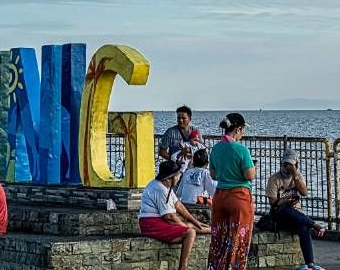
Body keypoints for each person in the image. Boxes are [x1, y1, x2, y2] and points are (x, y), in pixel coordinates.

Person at [140, 159, 210, 270]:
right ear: (169, 178)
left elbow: (178, 205)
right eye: (177, 176)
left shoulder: (166, 186)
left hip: (158, 221)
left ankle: (212, 229)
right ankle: (183, 267)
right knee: (190, 232)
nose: (178, 178)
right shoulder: (160, 189)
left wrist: (194, 220)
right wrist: (185, 226)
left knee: (191, 225)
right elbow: (169, 217)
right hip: (151, 224)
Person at [207, 112, 256, 270]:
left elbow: (213, 175)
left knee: (218, 238)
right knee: (238, 239)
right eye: (243, 130)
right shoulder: (241, 150)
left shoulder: (215, 149)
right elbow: (250, 175)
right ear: (238, 129)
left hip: (220, 196)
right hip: (239, 196)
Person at [266, 149, 327, 270]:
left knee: (303, 227)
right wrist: (285, 201)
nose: (286, 168)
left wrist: (295, 176)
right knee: (286, 209)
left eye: (289, 165)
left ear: (296, 165)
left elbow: (304, 193)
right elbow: (273, 203)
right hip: (280, 215)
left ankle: (310, 264)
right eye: (284, 165)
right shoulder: (274, 179)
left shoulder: (298, 176)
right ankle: (314, 224)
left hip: (296, 215)